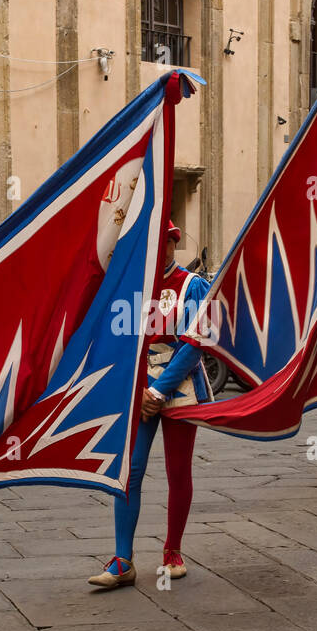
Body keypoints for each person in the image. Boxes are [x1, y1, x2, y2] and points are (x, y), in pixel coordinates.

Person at [89, 221, 212, 589]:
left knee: (178, 472)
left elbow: (196, 341)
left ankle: (173, 550)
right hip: (139, 389)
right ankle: (122, 559)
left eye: (168, 242)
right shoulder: (131, 288)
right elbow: (120, 343)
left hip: (181, 385)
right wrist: (144, 388)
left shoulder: (194, 285)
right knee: (130, 470)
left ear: (175, 244)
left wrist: (159, 390)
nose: (162, 249)